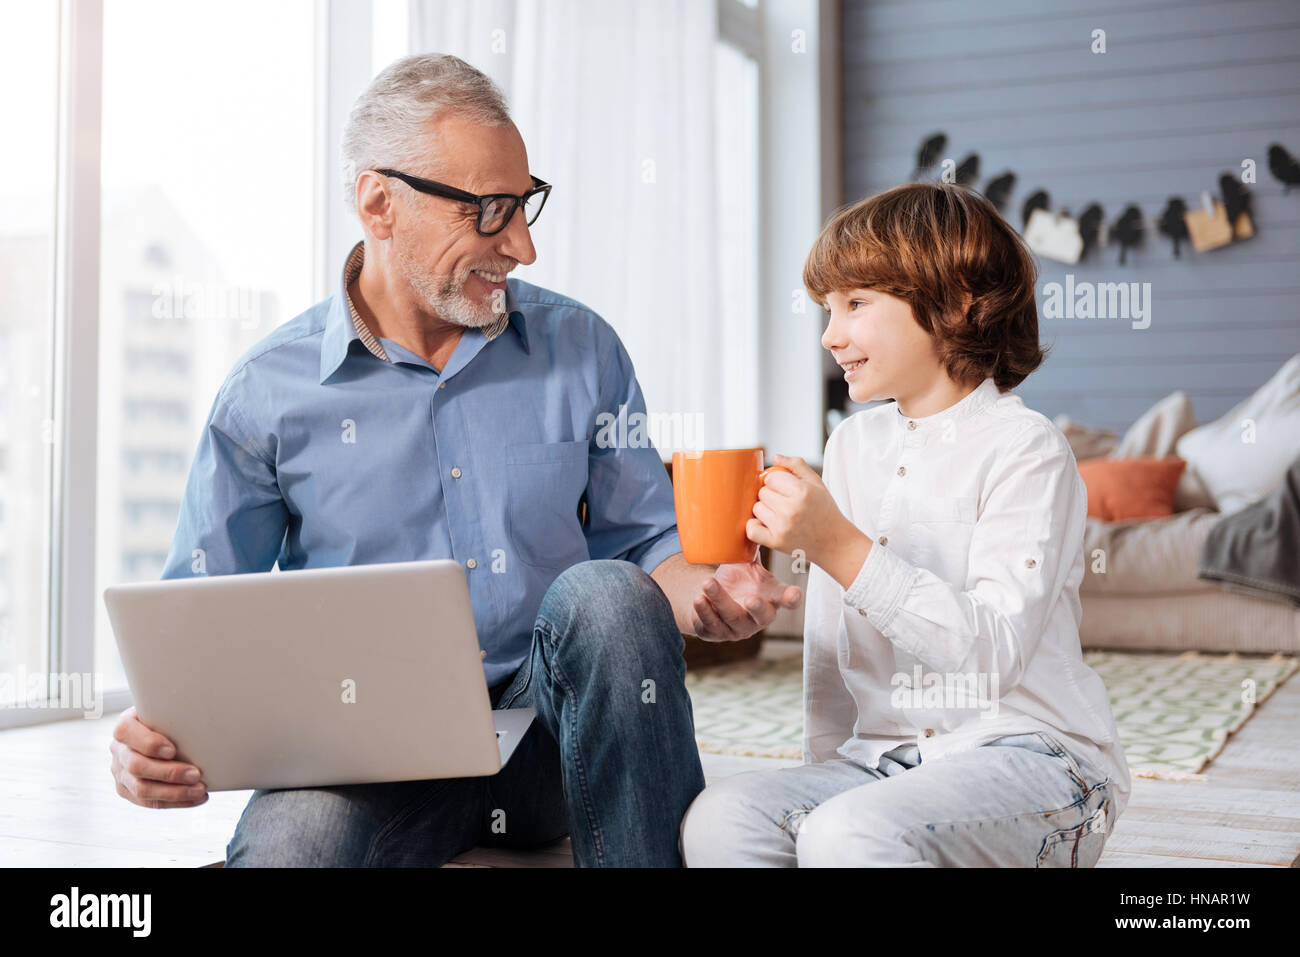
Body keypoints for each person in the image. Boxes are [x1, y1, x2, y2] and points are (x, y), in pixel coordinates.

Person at [107, 53, 800, 868]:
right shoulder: (266, 393)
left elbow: (647, 546)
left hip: (555, 737)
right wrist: (150, 735)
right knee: (291, 848)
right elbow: (198, 622)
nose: (524, 246)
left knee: (606, 592)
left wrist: (708, 589)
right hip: (368, 749)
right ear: (379, 203)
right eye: (491, 211)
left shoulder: (582, 349)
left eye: (527, 203)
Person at [679, 182, 1130, 867]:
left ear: (954, 301)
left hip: (1038, 763)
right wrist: (822, 777)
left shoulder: (1026, 447)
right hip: (888, 764)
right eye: (827, 309)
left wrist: (838, 544)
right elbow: (834, 653)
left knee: (849, 834)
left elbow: (992, 657)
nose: (831, 334)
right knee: (720, 819)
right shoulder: (851, 448)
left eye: (856, 304)